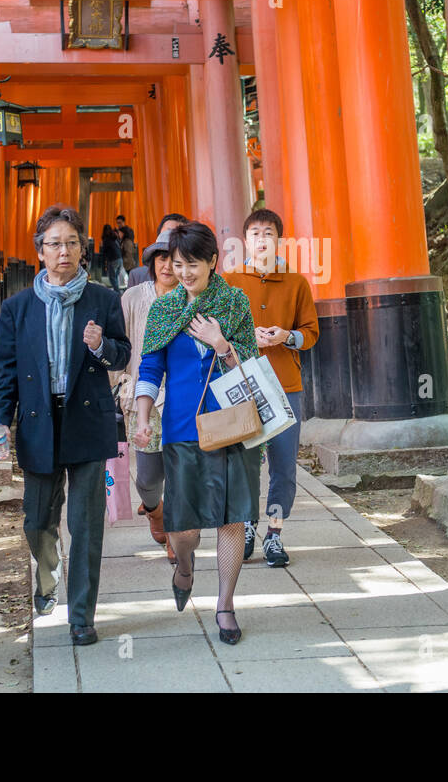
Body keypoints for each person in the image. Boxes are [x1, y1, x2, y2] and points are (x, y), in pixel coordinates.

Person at [0, 205, 131, 646]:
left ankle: (82, 616)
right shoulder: (17, 309)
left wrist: (101, 346)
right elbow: (6, 372)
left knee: (86, 526)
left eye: (72, 243)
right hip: (39, 422)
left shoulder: (103, 300)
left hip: (87, 420)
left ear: (83, 249)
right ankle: (47, 577)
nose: (64, 251)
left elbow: (123, 354)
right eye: (55, 244)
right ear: (41, 251)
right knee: (37, 521)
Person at [131, 221, 262, 645]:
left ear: (212, 262)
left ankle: (225, 604)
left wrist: (221, 343)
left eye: (193, 264)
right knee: (184, 528)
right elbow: (150, 367)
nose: (184, 273)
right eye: (177, 264)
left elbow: (251, 364)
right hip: (183, 427)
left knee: (231, 519)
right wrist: (143, 417)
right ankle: (185, 566)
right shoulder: (164, 310)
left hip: (233, 424)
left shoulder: (235, 303)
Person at [224, 209, 319, 567]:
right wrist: (249, 337)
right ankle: (248, 525)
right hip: (243, 384)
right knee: (246, 463)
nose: (261, 239)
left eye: (268, 233)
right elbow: (220, 331)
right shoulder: (230, 281)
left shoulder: (296, 283)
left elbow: (311, 333)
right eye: (255, 233)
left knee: (283, 465)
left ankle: (275, 533)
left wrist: (286, 336)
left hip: (285, 384)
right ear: (245, 240)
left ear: (279, 240)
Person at [111, 228, 179, 562]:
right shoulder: (134, 297)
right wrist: (112, 387)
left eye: (174, 259)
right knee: (149, 478)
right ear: (151, 263)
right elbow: (120, 346)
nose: (167, 266)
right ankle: (154, 509)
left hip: (182, 396)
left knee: (181, 472)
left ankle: (178, 536)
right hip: (143, 398)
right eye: (161, 259)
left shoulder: (193, 295)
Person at [127, 213, 188, 288]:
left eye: (177, 234)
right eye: (167, 233)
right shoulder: (138, 276)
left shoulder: (192, 284)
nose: (170, 237)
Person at [99, 223, 123, 289]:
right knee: (116, 277)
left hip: (113, 259)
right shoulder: (114, 238)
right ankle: (117, 291)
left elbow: (104, 252)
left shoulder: (106, 239)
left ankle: (117, 293)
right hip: (120, 258)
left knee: (112, 278)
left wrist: (104, 262)